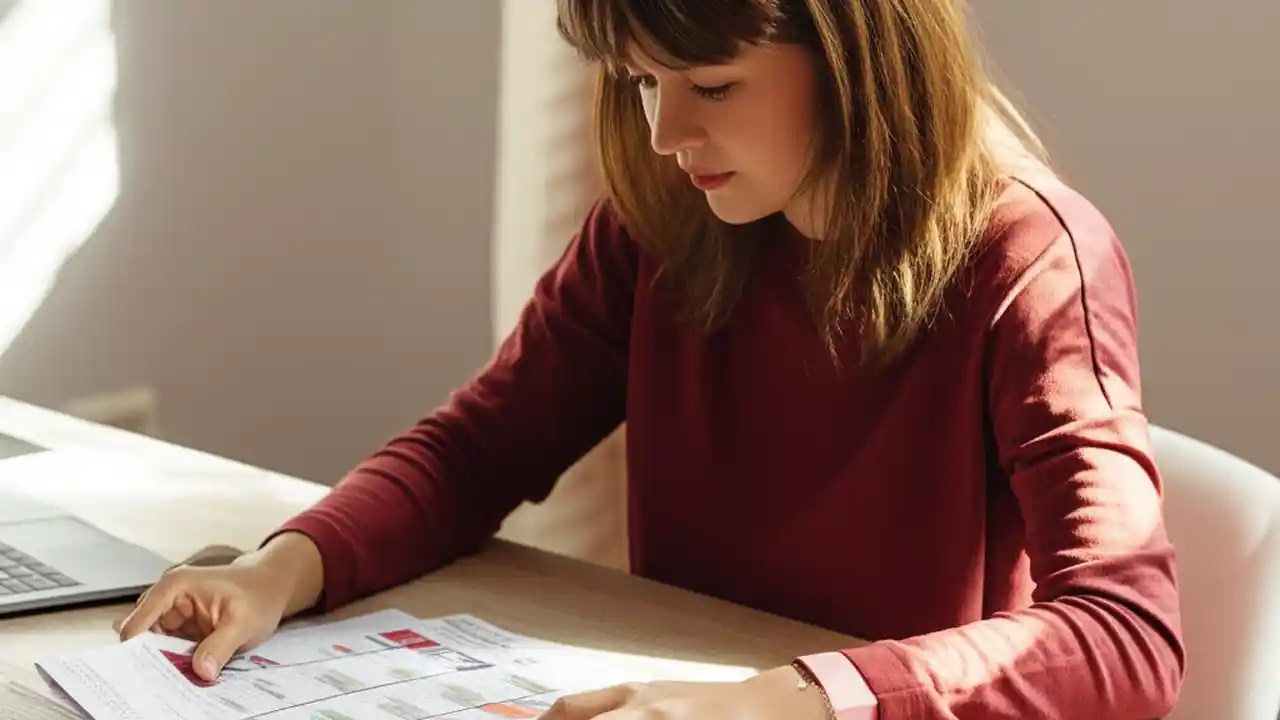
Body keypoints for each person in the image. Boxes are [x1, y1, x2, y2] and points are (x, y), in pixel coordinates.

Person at [117, 1, 1186, 717]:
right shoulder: (663, 223)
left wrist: (780, 700)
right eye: (639, 83)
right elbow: (475, 451)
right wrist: (279, 569)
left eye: (712, 86)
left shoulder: (1033, 256)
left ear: (859, 61)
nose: (667, 133)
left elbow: (1125, 637)